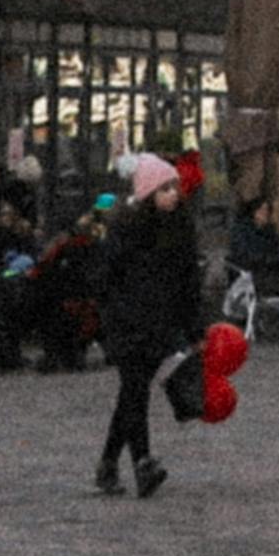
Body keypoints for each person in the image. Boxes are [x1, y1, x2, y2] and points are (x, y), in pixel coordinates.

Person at [91, 153, 205, 494]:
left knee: (133, 393)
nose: (172, 194)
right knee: (135, 389)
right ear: (147, 192)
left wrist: (194, 329)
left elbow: (189, 283)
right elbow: (105, 279)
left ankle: (110, 463)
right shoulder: (126, 229)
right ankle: (142, 463)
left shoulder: (181, 229)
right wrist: (109, 318)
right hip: (127, 323)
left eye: (174, 187)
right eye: (164, 188)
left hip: (161, 324)